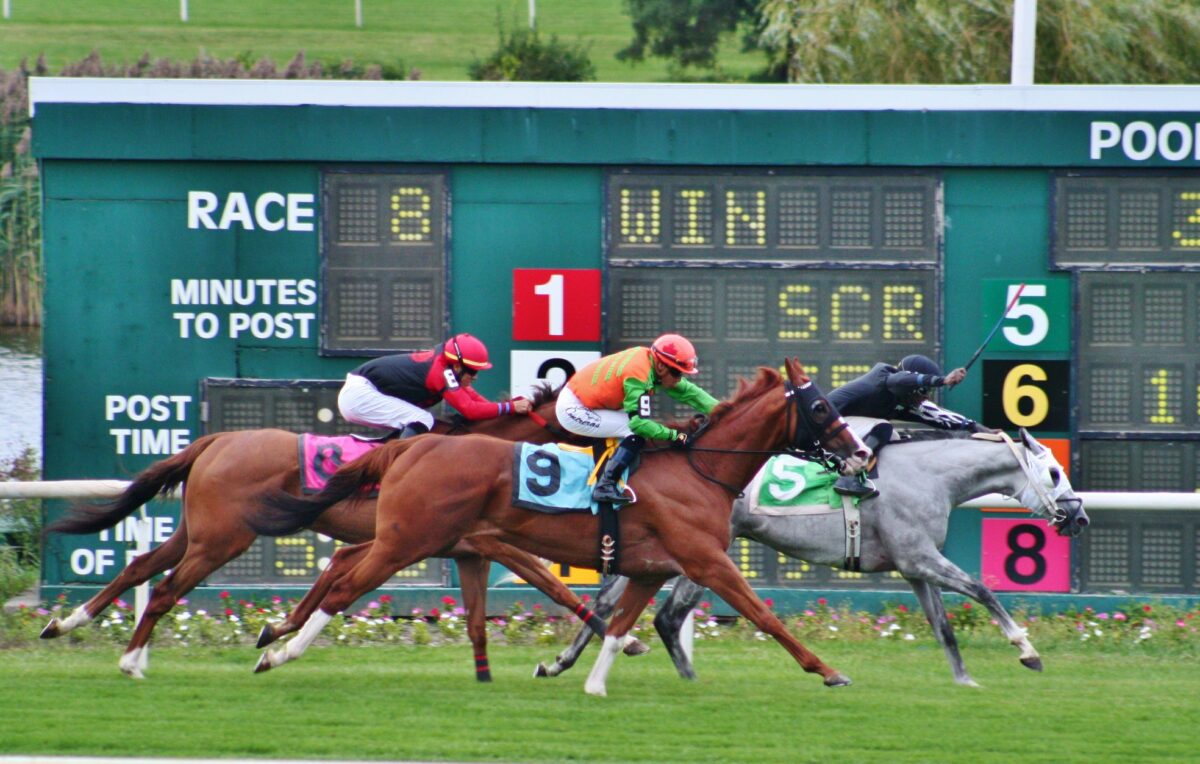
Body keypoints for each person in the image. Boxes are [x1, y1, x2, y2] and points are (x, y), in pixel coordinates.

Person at [557, 333, 719, 504]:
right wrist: (675, 436)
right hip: (574, 409)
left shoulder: (654, 363)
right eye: (678, 374)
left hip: (591, 402)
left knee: (637, 428)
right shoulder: (638, 373)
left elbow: (690, 393)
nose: (680, 380)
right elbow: (639, 425)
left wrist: (723, 411)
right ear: (661, 367)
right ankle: (605, 485)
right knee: (635, 431)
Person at [828, 354, 992, 498]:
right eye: (924, 390)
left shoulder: (901, 399)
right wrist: (942, 381)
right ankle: (849, 478)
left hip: (842, 427)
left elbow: (939, 416)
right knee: (883, 428)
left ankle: (881, 484)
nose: (926, 397)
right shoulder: (886, 378)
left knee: (895, 440)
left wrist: (977, 427)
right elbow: (899, 379)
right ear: (910, 386)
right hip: (825, 425)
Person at [338, 333, 532, 437]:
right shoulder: (441, 372)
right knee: (423, 419)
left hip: (362, 392)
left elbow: (475, 399)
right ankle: (397, 466)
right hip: (359, 395)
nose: (475, 377)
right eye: (472, 371)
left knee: (419, 420)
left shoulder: (449, 368)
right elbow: (470, 410)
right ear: (457, 366)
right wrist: (510, 407)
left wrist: (507, 410)